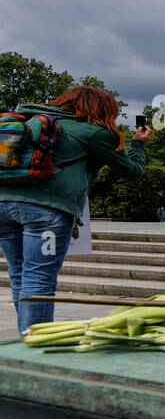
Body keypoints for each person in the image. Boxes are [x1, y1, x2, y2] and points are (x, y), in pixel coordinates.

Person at [0, 86, 149, 335]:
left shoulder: (27, 119)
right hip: (46, 212)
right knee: (39, 278)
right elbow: (132, 172)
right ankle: (36, 346)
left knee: (20, 276)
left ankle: (27, 339)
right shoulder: (96, 133)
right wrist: (138, 144)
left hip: (3, 206)